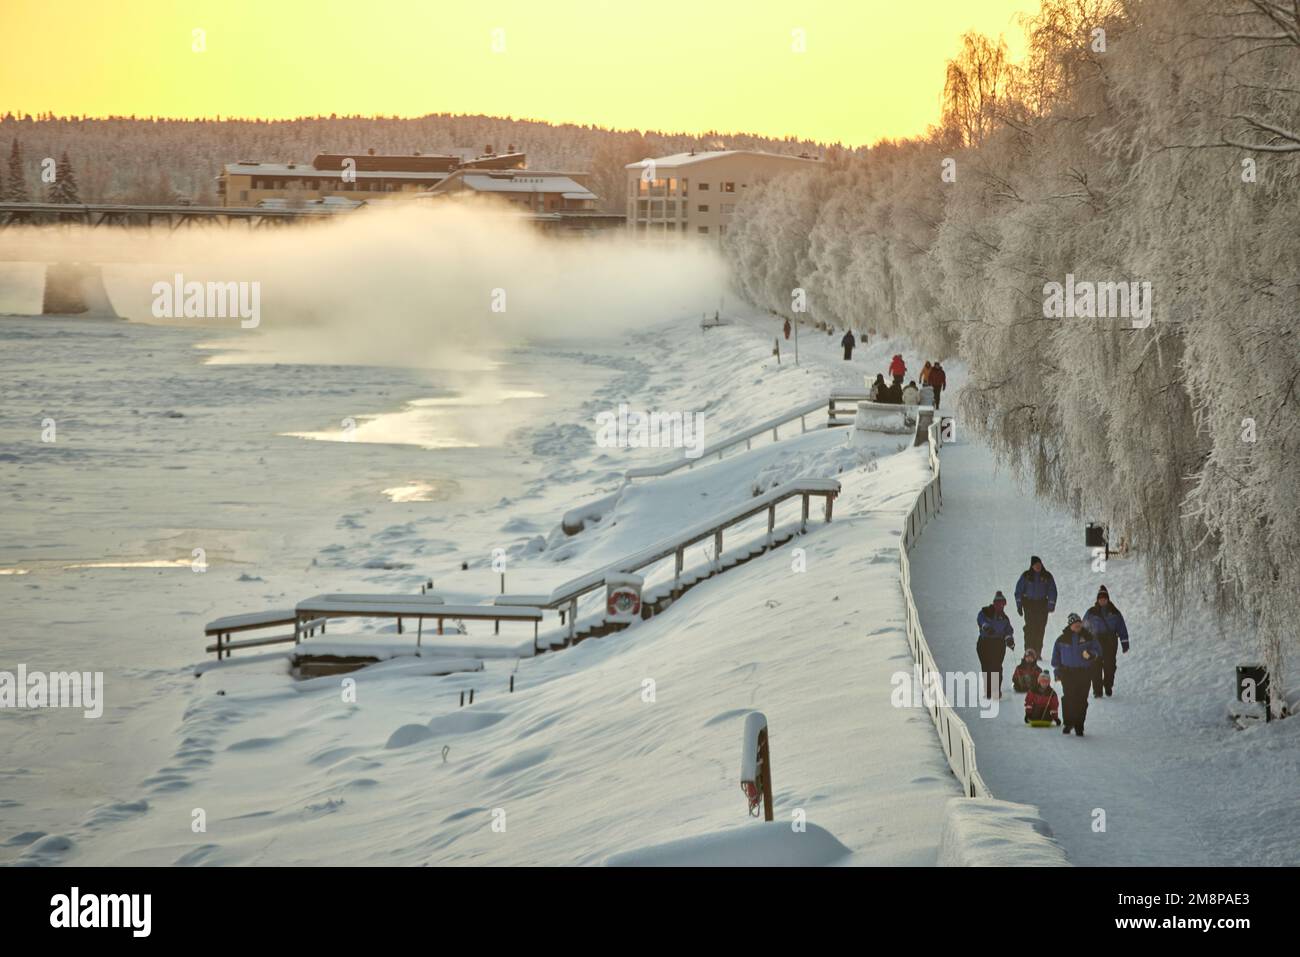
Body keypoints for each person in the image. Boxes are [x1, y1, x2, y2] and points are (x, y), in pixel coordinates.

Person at [1051, 613, 1102, 736]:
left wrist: (1091, 654)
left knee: (1082, 700)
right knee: (1068, 699)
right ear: (1070, 625)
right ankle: (1068, 723)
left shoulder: (1088, 637)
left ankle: (1079, 725)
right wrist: (1057, 672)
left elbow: (1098, 651)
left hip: (1084, 673)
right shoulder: (1061, 640)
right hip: (1067, 674)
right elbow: (1055, 659)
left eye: (1079, 624)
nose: (1078, 626)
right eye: (1075, 624)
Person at [1084, 585, 1130, 698]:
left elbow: (1121, 627)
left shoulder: (1115, 612)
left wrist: (1125, 643)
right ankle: (1097, 690)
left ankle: (1108, 685)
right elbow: (1084, 628)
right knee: (1095, 666)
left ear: (1108, 599)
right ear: (1097, 599)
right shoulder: (1091, 612)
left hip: (1110, 642)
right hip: (1096, 642)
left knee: (1110, 666)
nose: (1102, 600)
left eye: (1104, 598)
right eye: (1100, 598)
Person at [1014, 555, 1058, 658]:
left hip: (1042, 605)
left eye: (1039, 564)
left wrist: (1051, 604)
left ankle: (1037, 652)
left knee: (1040, 628)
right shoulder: (1026, 576)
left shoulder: (1047, 576)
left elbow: (1052, 590)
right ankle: (1029, 650)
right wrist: (1019, 605)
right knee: (1030, 628)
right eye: (1035, 565)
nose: (1037, 567)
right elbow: (1018, 591)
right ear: (1032, 566)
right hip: (1029, 605)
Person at [976, 590, 1016, 698]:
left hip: (998, 644)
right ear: (994, 603)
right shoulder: (985, 612)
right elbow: (980, 619)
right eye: (998, 603)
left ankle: (995, 691)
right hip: (984, 643)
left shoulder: (1005, 618)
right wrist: (986, 627)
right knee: (986, 667)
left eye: (1002, 603)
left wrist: (1009, 639)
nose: (1000, 605)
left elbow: (1008, 631)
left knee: (997, 667)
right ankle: (988, 691)